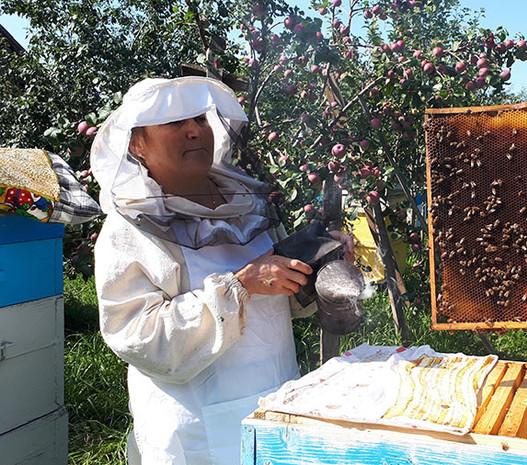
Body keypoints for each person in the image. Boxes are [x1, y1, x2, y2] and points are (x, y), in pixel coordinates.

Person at [90, 76, 354, 464]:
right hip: (194, 426)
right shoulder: (128, 228)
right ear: (137, 144)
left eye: (199, 119)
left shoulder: (248, 203)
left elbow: (280, 295)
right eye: (175, 123)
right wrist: (239, 286)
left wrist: (317, 264)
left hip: (275, 394)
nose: (195, 130)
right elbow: (136, 336)